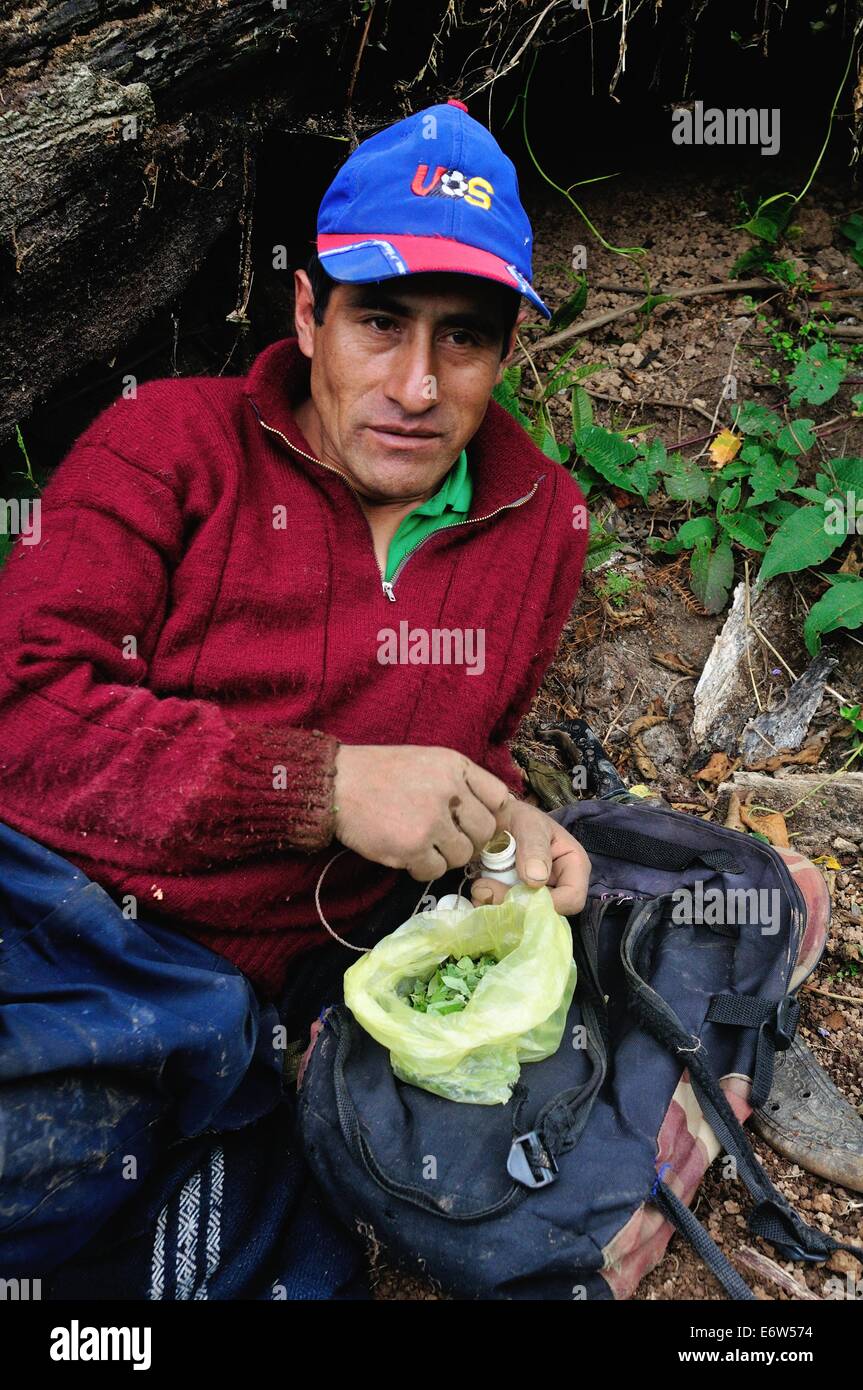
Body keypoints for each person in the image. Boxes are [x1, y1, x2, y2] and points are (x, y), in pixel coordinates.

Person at [0, 99, 591, 1297]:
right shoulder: (161, 444)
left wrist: (506, 823)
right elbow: (24, 718)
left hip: (280, 1008)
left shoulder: (542, 524)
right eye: (379, 322)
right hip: (63, 927)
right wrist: (317, 785)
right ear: (307, 313)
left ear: (502, 354)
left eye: (463, 338)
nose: (417, 386)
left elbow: (465, 747)